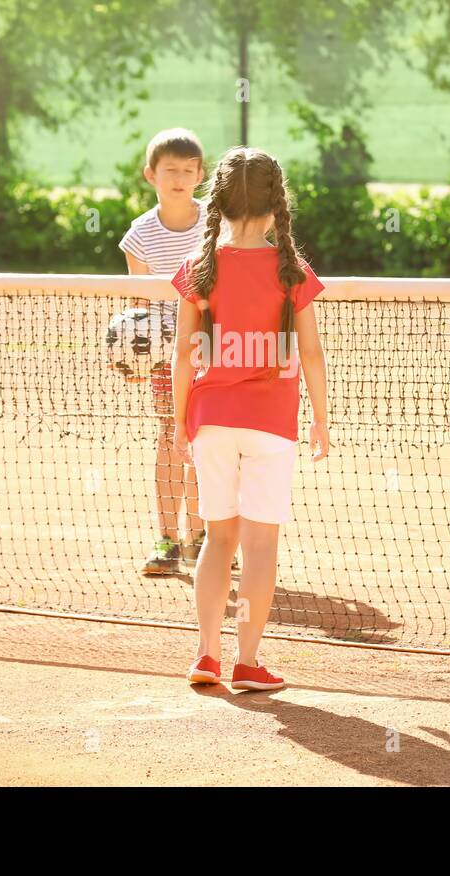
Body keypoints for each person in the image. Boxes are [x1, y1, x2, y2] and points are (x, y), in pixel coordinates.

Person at [170, 147, 330, 691]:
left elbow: (183, 354)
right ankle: (248, 661)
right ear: (276, 204)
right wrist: (321, 421)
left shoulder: (198, 270)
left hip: (210, 422)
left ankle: (206, 656)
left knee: (218, 539)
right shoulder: (293, 272)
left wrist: (178, 423)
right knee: (260, 546)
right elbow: (311, 353)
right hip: (271, 427)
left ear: (216, 201)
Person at [120, 128, 210, 575]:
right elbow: (138, 305)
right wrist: (134, 356)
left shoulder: (217, 223)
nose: (179, 177)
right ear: (150, 175)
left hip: (213, 349)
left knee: (208, 442)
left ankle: (203, 539)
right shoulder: (139, 235)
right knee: (171, 438)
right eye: (170, 170)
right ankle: (167, 540)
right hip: (165, 359)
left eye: (188, 170)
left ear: (200, 175)